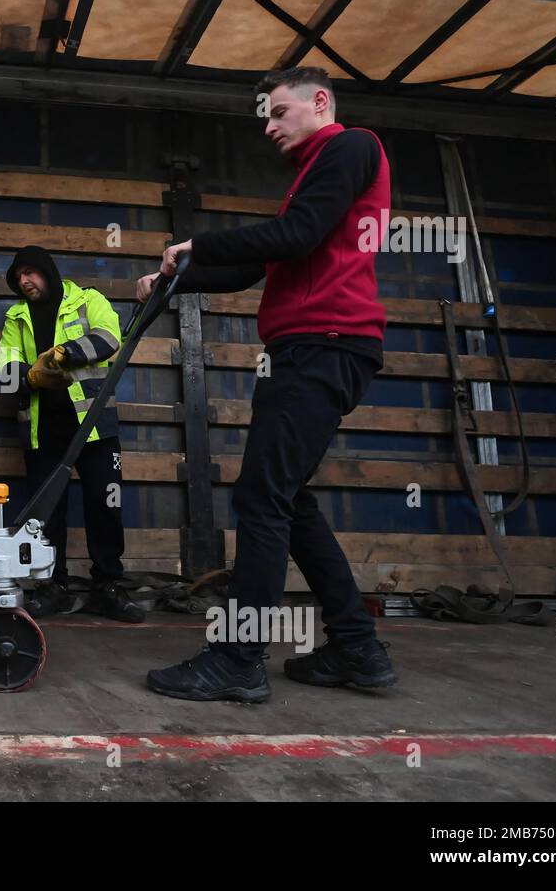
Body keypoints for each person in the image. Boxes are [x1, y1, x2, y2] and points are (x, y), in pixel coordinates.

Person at [137, 66, 397, 702]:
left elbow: (294, 236)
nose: (271, 126)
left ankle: (237, 659)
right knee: (288, 500)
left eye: (279, 112)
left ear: (320, 101)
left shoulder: (351, 146)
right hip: (315, 348)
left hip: (322, 345)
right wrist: (175, 280)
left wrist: (194, 243)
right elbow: (256, 265)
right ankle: (357, 651)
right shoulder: (314, 180)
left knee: (260, 500)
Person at [0, 245, 145, 623]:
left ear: (48, 271)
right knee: (47, 513)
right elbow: (7, 369)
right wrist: (29, 375)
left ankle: (108, 587)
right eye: (18, 277)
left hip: (94, 424)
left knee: (105, 502)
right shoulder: (15, 317)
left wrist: (61, 354)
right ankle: (53, 587)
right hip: (43, 428)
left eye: (29, 272)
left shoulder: (88, 300)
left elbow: (111, 338)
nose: (23, 281)